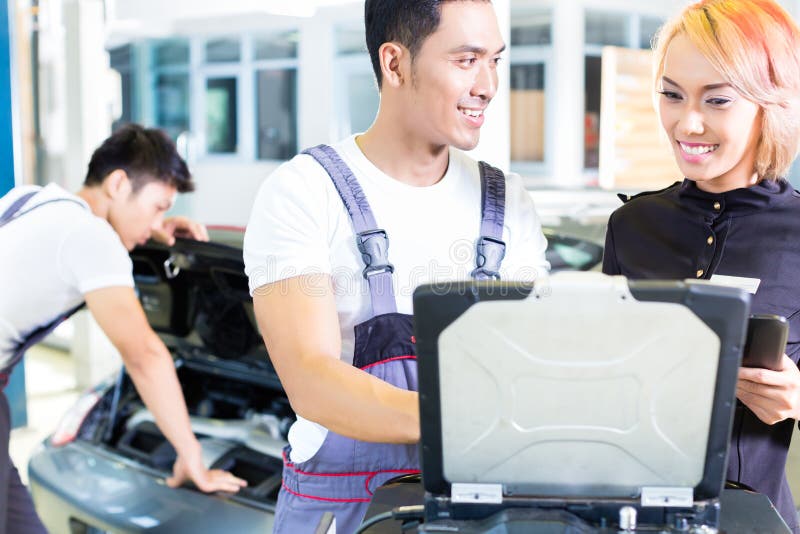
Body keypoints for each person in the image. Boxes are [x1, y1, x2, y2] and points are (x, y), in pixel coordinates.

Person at [243, 1, 550, 532]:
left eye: (495, 60)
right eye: (466, 60)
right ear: (394, 63)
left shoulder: (508, 201)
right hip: (339, 514)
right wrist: (460, 420)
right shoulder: (305, 192)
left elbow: (533, 363)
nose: (488, 84)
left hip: (477, 509)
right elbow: (311, 379)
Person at [602, 0, 800, 530]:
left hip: (755, 518)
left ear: (769, 104)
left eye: (717, 100)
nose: (688, 123)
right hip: (633, 514)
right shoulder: (631, 225)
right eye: (671, 95)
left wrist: (796, 397)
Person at [0, 124, 247, 533]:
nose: (160, 219)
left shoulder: (34, 199)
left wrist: (148, 229)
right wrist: (193, 459)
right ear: (118, 183)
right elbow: (145, 357)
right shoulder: (92, 238)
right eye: (157, 207)